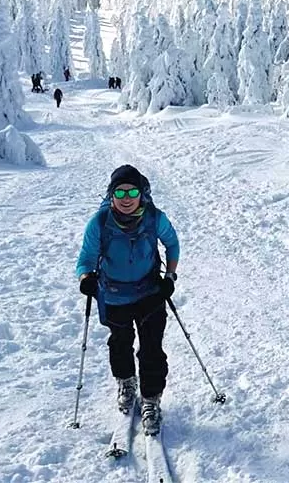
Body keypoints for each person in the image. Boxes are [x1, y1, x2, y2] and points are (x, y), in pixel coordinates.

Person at [75, 165, 180, 436]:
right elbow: (86, 258)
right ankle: (126, 383)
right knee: (120, 344)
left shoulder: (155, 218)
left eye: (132, 190)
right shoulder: (99, 222)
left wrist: (170, 276)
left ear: (141, 193)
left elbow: (172, 244)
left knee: (152, 349)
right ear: (111, 194)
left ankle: (151, 400)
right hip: (114, 295)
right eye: (119, 191)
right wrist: (85, 277)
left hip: (150, 293)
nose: (126, 197)